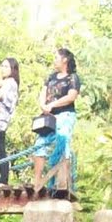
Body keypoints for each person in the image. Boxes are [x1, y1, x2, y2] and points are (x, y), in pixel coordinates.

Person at [41, 47, 80, 188]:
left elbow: (71, 97)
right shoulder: (51, 77)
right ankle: (39, 181)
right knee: (40, 144)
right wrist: (43, 105)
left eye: (56, 57)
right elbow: (43, 92)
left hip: (65, 114)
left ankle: (62, 181)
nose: (54, 60)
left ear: (65, 60)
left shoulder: (72, 78)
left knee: (62, 142)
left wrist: (52, 104)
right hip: (49, 117)